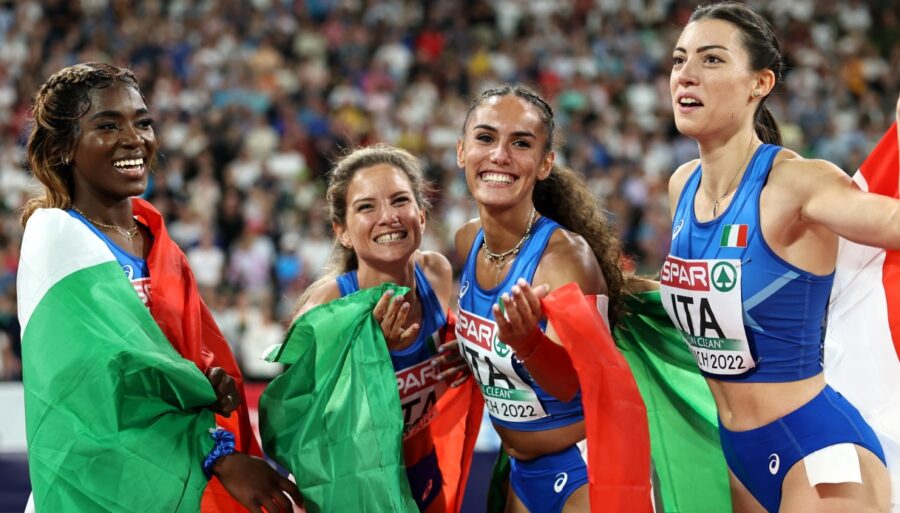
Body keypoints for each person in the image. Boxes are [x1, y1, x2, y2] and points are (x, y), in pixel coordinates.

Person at [17, 62, 302, 513]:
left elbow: (190, 356)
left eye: (143, 122)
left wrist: (211, 382)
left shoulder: (158, 240)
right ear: (64, 147)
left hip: (183, 469)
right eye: (108, 125)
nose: (135, 139)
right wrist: (218, 455)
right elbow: (99, 387)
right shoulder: (54, 236)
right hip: (94, 486)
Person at [662, 3, 898, 512]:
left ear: (760, 83)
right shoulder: (682, 187)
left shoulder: (794, 184)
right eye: (680, 60)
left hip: (818, 451)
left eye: (712, 60)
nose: (687, 74)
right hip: (739, 454)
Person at [454, 84, 627, 513]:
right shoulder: (467, 241)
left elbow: (582, 386)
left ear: (545, 163)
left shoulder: (566, 260)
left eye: (521, 143)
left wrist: (529, 343)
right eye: (485, 138)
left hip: (588, 467)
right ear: (461, 151)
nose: (499, 155)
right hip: (522, 473)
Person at [286, 144, 472, 513]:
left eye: (400, 201)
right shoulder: (324, 309)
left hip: (422, 474)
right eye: (366, 206)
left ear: (420, 215)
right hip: (348, 488)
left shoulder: (436, 274)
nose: (388, 217)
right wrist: (368, 360)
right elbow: (301, 433)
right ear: (342, 232)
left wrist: (466, 359)